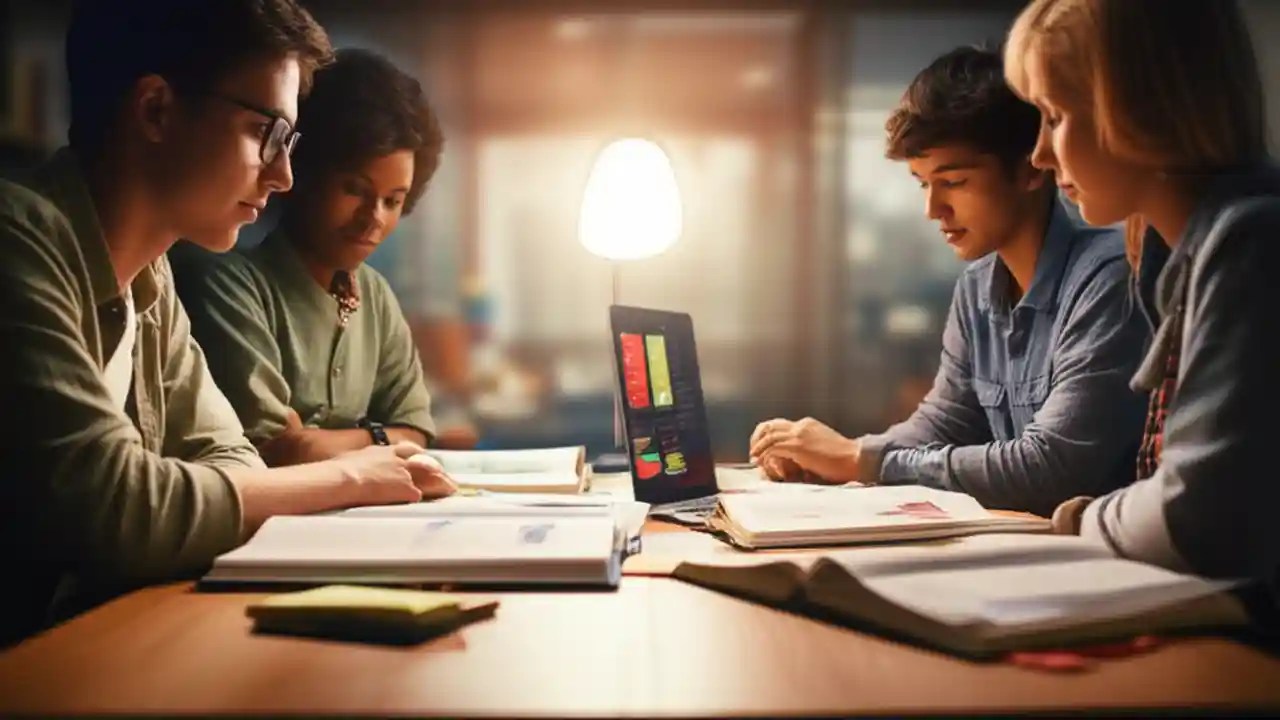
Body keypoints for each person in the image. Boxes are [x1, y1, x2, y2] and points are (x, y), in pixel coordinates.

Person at [0, 0, 452, 645]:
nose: (283, 173)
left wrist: (277, 479)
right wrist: (349, 475)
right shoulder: (19, 241)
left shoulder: (151, 280)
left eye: (291, 143)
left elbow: (232, 457)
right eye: (267, 133)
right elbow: (116, 507)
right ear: (155, 109)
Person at [749, 46, 1148, 517]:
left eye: (954, 182)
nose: (932, 209)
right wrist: (829, 458)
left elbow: (1055, 466)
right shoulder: (978, 287)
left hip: (1106, 563)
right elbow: (946, 421)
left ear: (1030, 168)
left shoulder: (1108, 275)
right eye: (922, 183)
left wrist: (861, 461)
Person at [1004, 0, 1280, 590]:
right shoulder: (1176, 256)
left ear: (1141, 108)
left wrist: (1086, 519)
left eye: (1055, 117)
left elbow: (1195, 516)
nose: (1040, 155)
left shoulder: (1251, 243)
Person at [175, 49, 463, 466]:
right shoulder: (227, 282)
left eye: (392, 200)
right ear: (303, 172)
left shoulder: (376, 297)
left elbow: (417, 431)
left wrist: (321, 442)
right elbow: (279, 449)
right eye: (355, 190)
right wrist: (378, 437)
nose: (373, 219)